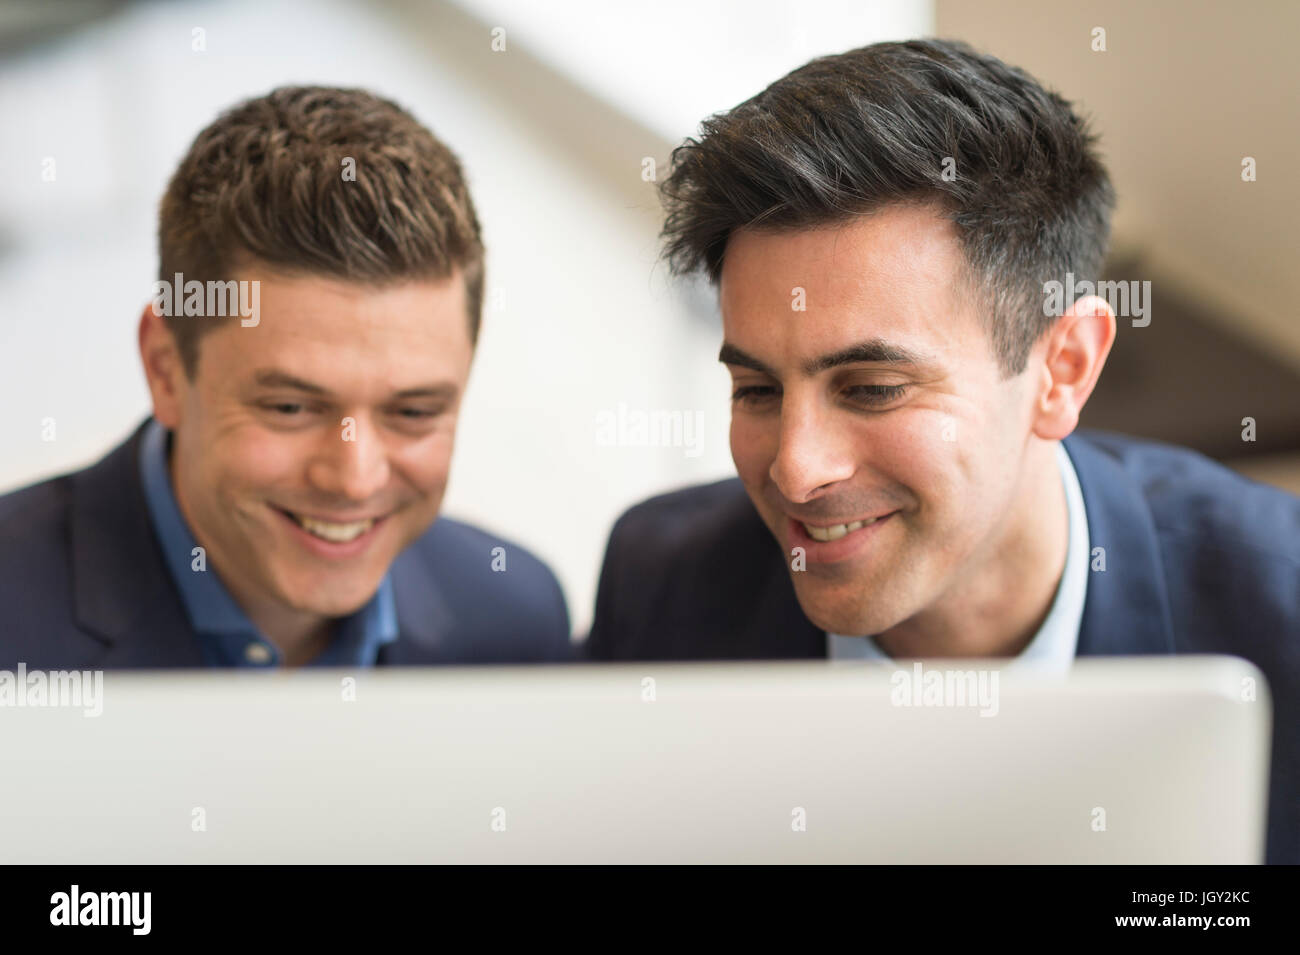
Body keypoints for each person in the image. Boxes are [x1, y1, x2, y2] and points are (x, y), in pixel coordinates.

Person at [584, 40, 1299, 863]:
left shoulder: (1279, 611)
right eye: (758, 390)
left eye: (872, 388)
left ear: (1062, 368)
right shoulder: (663, 590)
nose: (796, 470)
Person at [0, 86, 571, 669]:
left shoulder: (517, 625)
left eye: (413, 412)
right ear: (165, 369)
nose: (354, 479)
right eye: (291, 408)